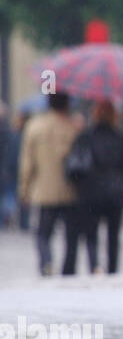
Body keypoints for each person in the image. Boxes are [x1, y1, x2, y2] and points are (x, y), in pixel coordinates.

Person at [67, 100, 123, 274]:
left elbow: (75, 166)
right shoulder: (120, 138)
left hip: (91, 193)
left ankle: (95, 267)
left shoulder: (85, 137)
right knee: (113, 236)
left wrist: (78, 186)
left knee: (91, 234)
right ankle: (112, 270)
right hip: (115, 193)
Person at [18, 91, 81, 275]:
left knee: (43, 233)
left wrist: (24, 189)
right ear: (67, 104)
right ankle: (68, 269)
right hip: (70, 189)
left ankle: (47, 262)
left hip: (44, 190)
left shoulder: (34, 127)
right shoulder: (73, 127)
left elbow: (27, 163)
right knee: (71, 235)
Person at [0, 103, 17, 229]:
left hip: (5, 169)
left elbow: (9, 151)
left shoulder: (7, 131)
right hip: (5, 169)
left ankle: (5, 217)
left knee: (6, 195)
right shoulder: (8, 130)